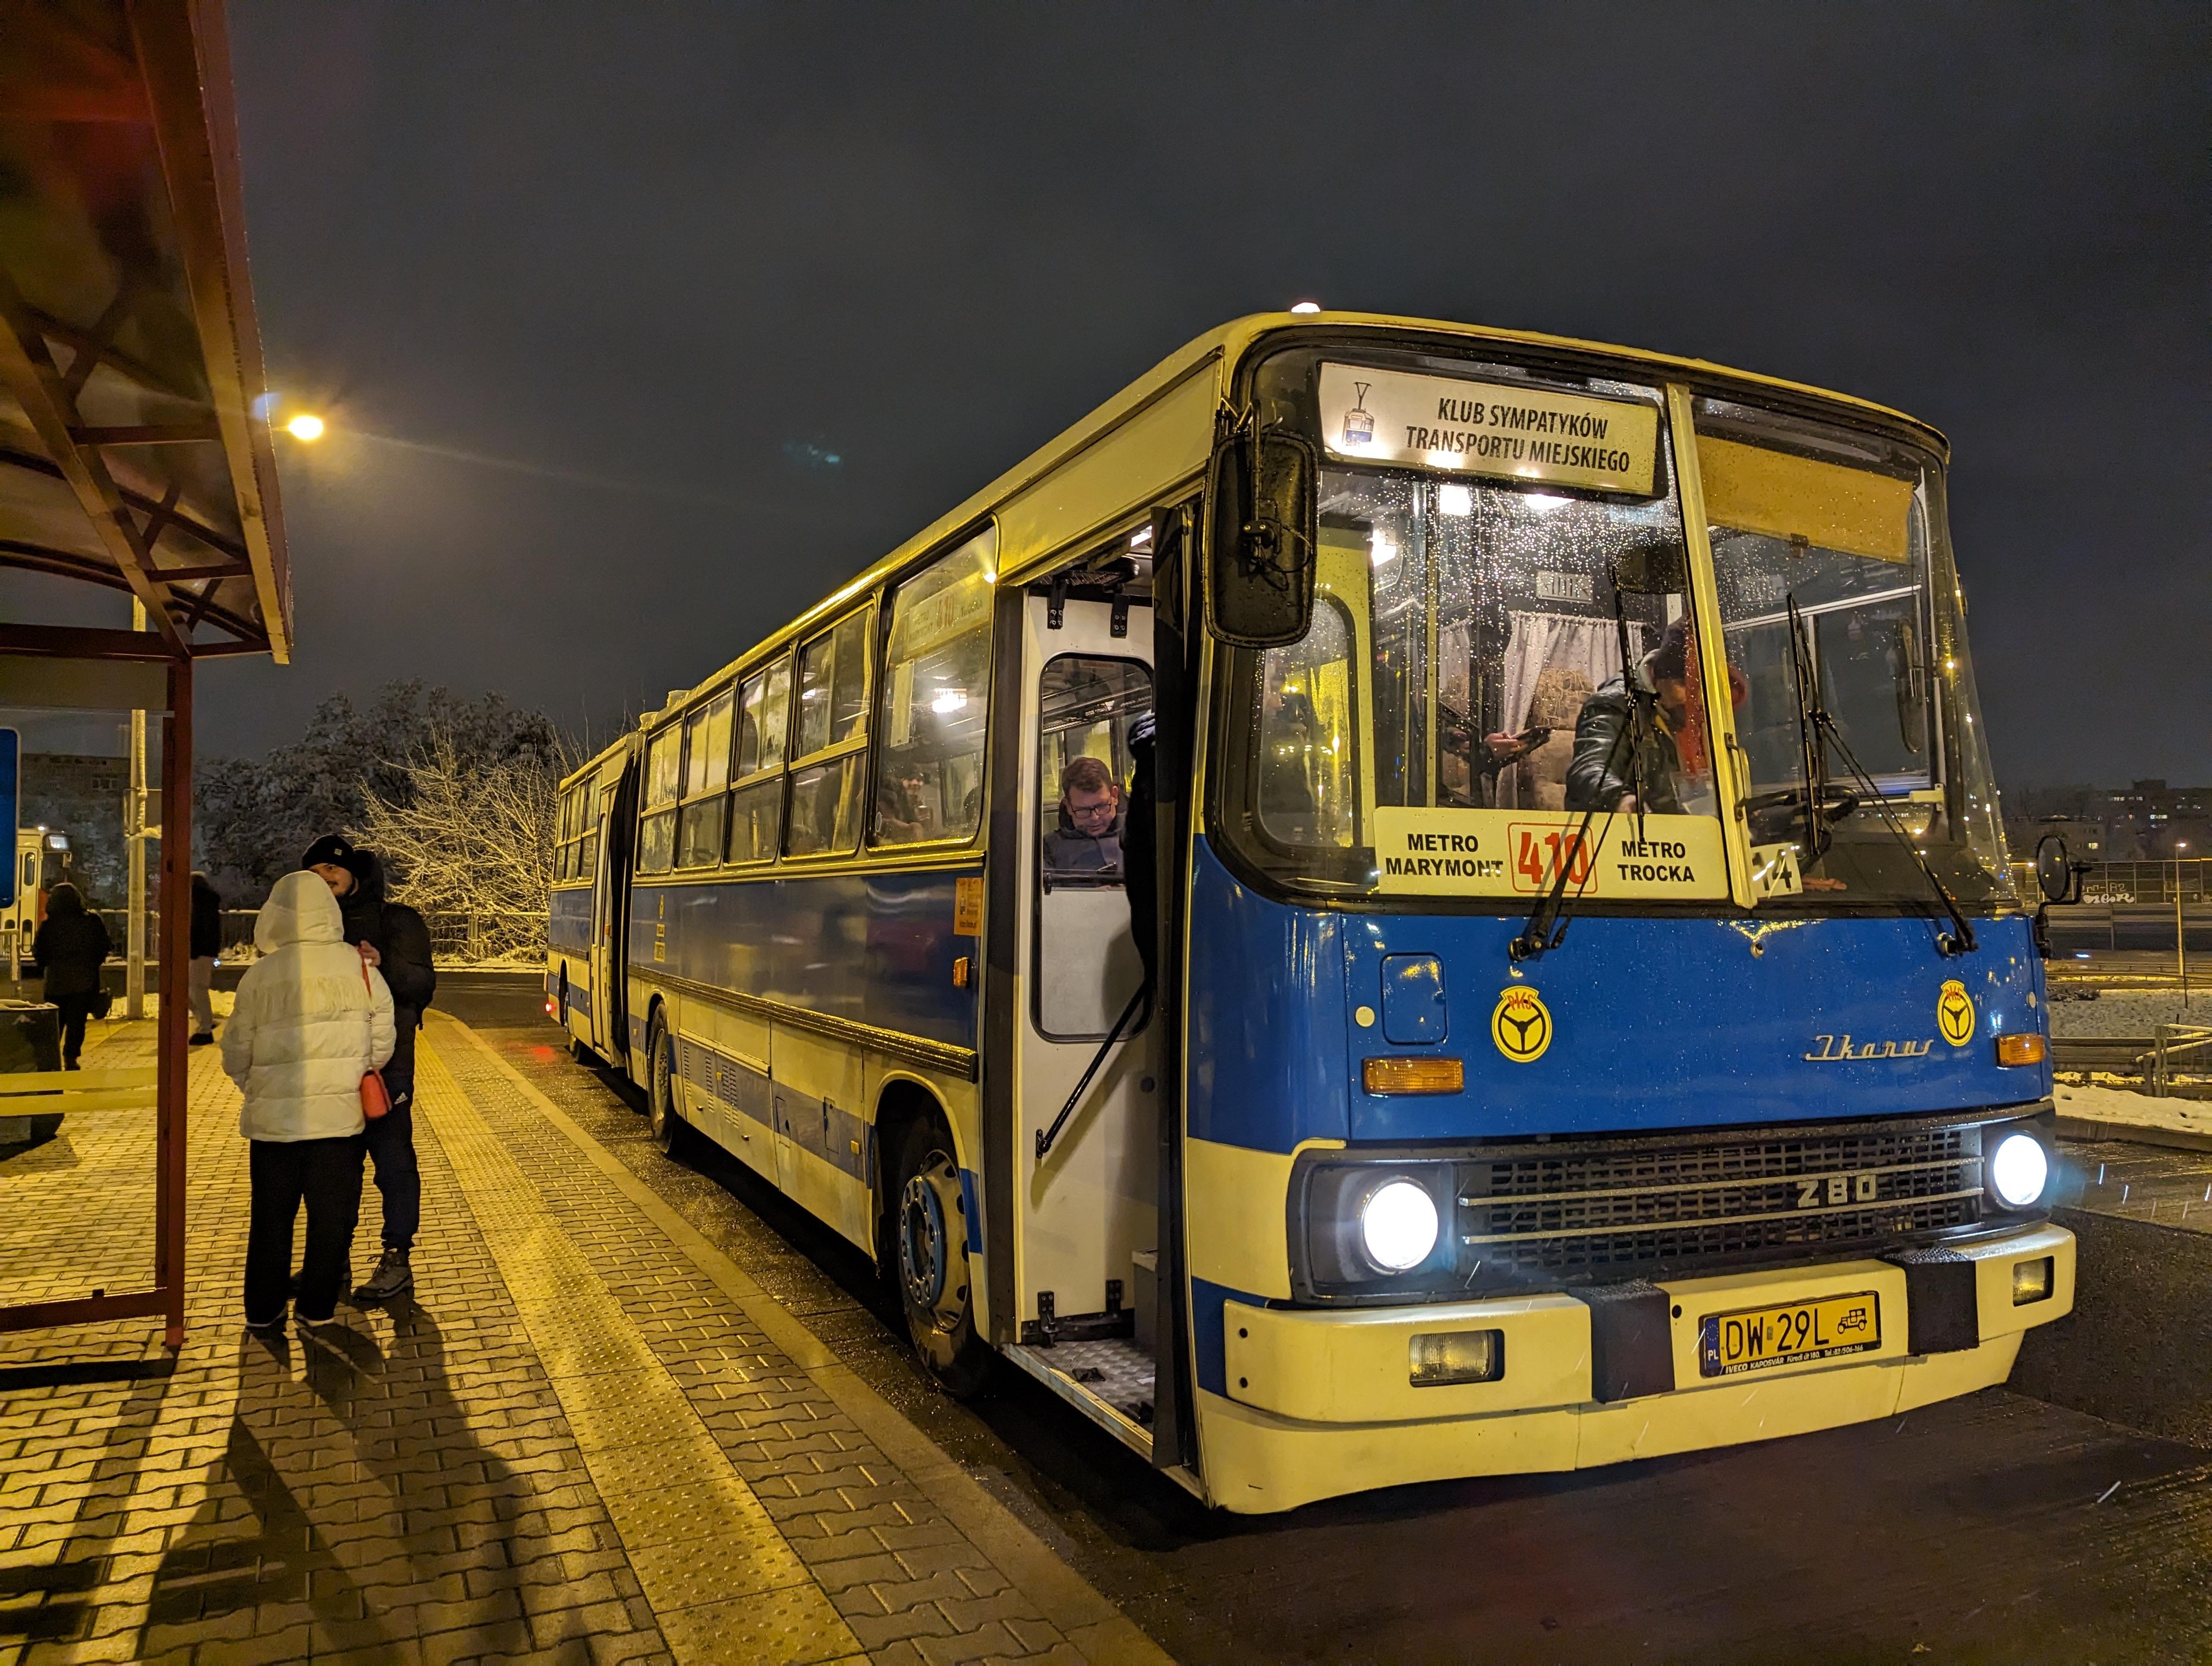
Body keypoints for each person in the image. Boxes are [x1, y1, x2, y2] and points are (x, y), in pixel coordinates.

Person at [222, 871, 394, 1334]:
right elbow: (381, 1044)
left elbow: (236, 1050)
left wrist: (256, 1087)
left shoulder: (260, 975)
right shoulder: (360, 968)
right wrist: (348, 1075)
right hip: (338, 1122)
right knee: (331, 1219)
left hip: (273, 1125)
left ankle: (263, 1310)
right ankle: (317, 1308)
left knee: (270, 1220)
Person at [302, 835, 435, 1304]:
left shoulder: (397, 920)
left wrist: (383, 965)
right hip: (330, 1065)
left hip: (386, 1068)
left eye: (331, 869)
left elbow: (422, 984)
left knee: (393, 1164)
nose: (324, 878)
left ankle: (397, 1257)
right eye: (314, 872)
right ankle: (332, 1261)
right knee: (335, 1170)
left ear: (352, 872)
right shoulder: (312, 927)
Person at [1566, 618, 1701, 815]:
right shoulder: (1615, 704)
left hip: (1704, 828)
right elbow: (1588, 769)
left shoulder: (1708, 712)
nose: (1696, 699)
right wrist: (1620, 799)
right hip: (1648, 831)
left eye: (1702, 688)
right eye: (1685, 685)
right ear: (1660, 676)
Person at [30, 882, 111, 1069]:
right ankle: (71, 1058)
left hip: (56, 983)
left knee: (55, 1023)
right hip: (84, 983)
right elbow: (103, 946)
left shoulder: (49, 925)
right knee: (77, 1023)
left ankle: (50, 1060)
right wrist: (92, 963)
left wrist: (48, 965)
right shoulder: (92, 921)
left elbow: (39, 953)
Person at [1043, 754, 1125, 873]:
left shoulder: (1145, 832)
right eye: (1083, 810)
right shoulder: (1048, 849)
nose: (1095, 818)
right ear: (1068, 806)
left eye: (1101, 806)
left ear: (1114, 796)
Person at [189, 872, 221, 1045]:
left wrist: (194, 949)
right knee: (192, 990)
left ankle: (205, 1028)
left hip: (200, 952)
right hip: (203, 952)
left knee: (197, 989)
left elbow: (200, 930)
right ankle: (205, 1020)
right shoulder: (207, 903)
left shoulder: (201, 905)